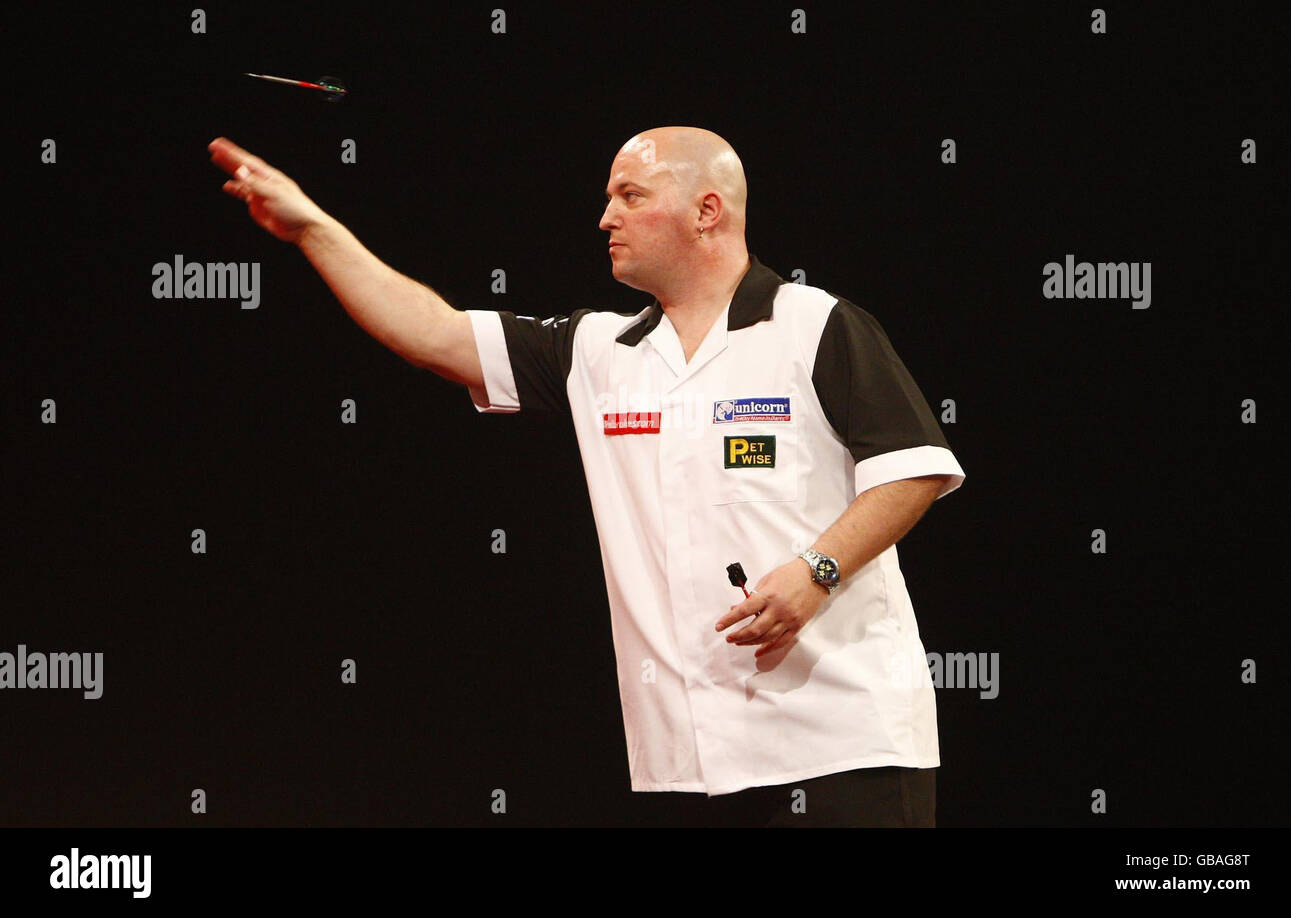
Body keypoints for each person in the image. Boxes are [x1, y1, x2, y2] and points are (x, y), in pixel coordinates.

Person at [208, 126, 966, 827]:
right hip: (688, 763)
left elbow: (914, 470)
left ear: (708, 211)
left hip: (845, 744)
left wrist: (815, 572)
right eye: (609, 198)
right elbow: (431, 332)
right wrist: (310, 226)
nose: (606, 217)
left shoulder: (815, 324)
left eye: (630, 196)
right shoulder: (598, 353)